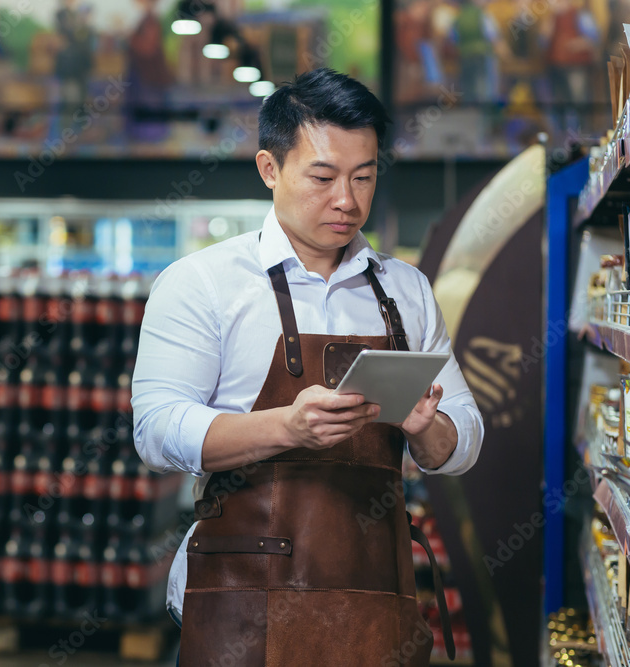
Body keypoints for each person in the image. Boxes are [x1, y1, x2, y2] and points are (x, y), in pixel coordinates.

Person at [132, 69, 484, 666]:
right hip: (241, 597)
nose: (347, 199)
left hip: (375, 594)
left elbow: (466, 436)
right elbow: (158, 430)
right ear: (270, 169)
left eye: (364, 177)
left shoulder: (406, 291)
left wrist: (427, 427)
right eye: (323, 177)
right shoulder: (202, 284)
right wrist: (286, 428)